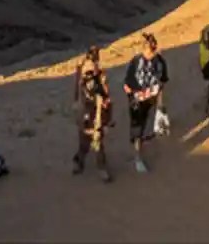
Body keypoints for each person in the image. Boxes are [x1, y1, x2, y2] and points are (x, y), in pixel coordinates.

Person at [123, 33, 169, 173]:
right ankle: (138, 158)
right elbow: (127, 85)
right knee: (138, 129)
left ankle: (140, 146)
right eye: (151, 48)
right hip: (137, 101)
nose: (153, 51)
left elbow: (162, 83)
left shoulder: (160, 61)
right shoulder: (136, 61)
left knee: (146, 128)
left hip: (151, 101)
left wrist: (160, 102)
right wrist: (133, 96)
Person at [71, 46, 112, 182]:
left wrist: (102, 120)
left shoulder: (99, 76)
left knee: (97, 141)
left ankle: (102, 168)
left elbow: (103, 98)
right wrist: (76, 103)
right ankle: (79, 161)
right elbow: (77, 90)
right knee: (83, 141)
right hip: (85, 110)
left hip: (96, 110)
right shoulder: (82, 72)